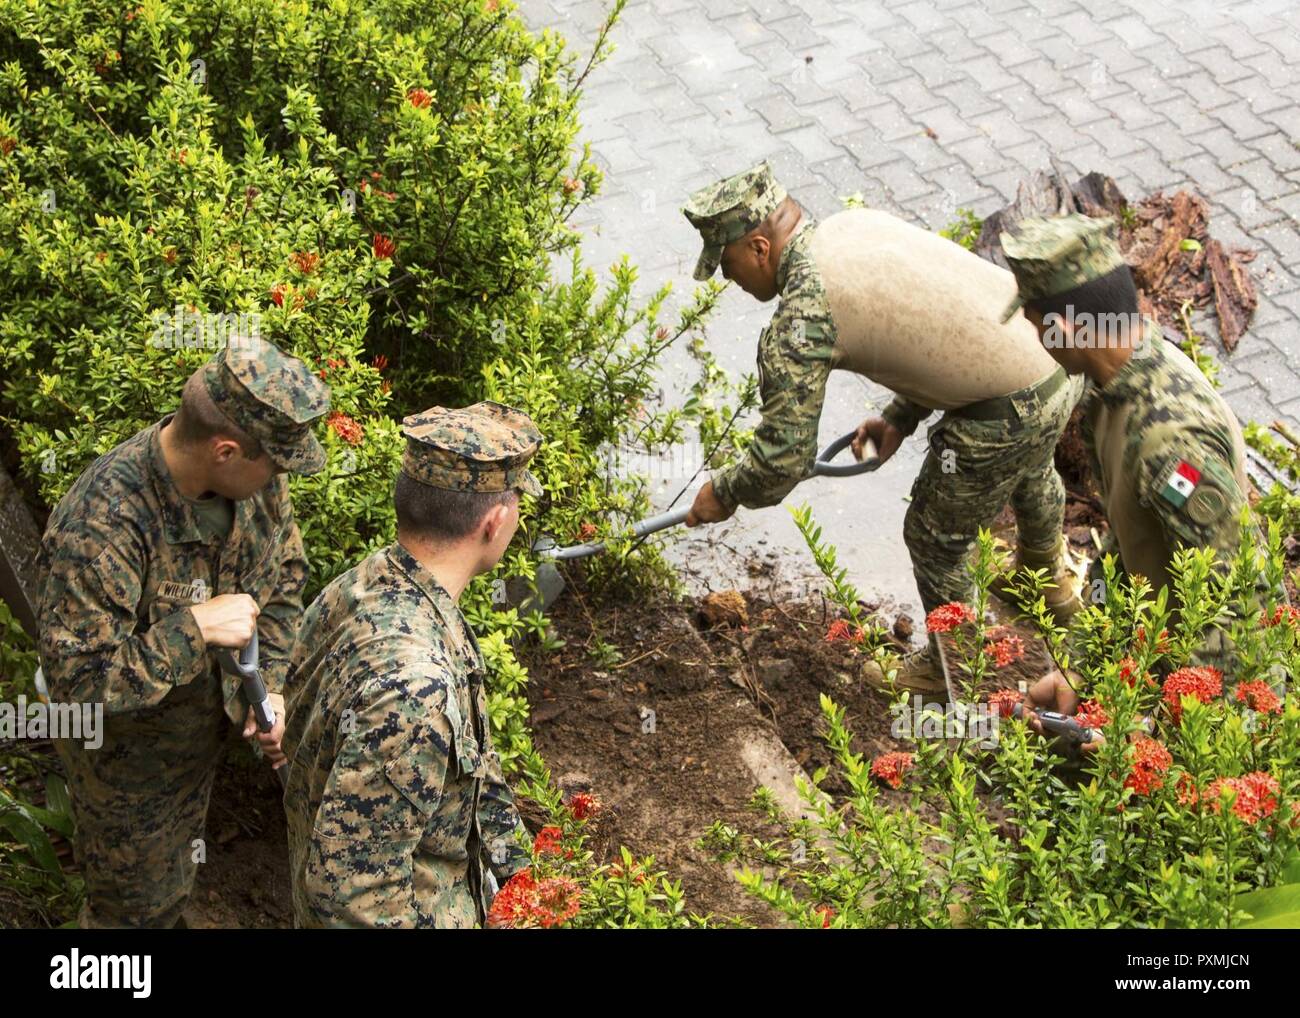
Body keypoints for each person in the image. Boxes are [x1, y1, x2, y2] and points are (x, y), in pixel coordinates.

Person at [681, 162, 1081, 691]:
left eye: (728, 264)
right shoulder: (852, 225)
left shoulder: (800, 317)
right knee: (1029, 466)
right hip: (1061, 358)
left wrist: (725, 492)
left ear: (759, 247)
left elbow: (782, 462)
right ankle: (1048, 580)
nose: (729, 279)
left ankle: (953, 671)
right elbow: (938, 315)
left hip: (1012, 408)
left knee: (934, 539)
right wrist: (899, 415)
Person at [36, 338, 330, 927]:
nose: (280, 476)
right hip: (130, 768)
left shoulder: (257, 484)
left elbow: (282, 584)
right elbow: (78, 689)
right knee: (134, 913)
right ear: (225, 451)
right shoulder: (103, 525)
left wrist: (267, 688)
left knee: (173, 882)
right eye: (273, 461)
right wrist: (194, 628)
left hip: (200, 741)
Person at [283, 400, 540, 928]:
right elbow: (353, 898)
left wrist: (523, 878)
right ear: (496, 521)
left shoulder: (366, 586)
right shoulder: (415, 687)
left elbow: (469, 765)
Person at [1001, 213, 1260, 673]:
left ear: (1068, 328)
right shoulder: (1116, 392)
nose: (1038, 340)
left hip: (1196, 694)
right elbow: (1124, 548)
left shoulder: (1170, 443)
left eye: (1037, 325)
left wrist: (1157, 723)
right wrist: (1081, 664)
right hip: (1150, 657)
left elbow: (1237, 600)